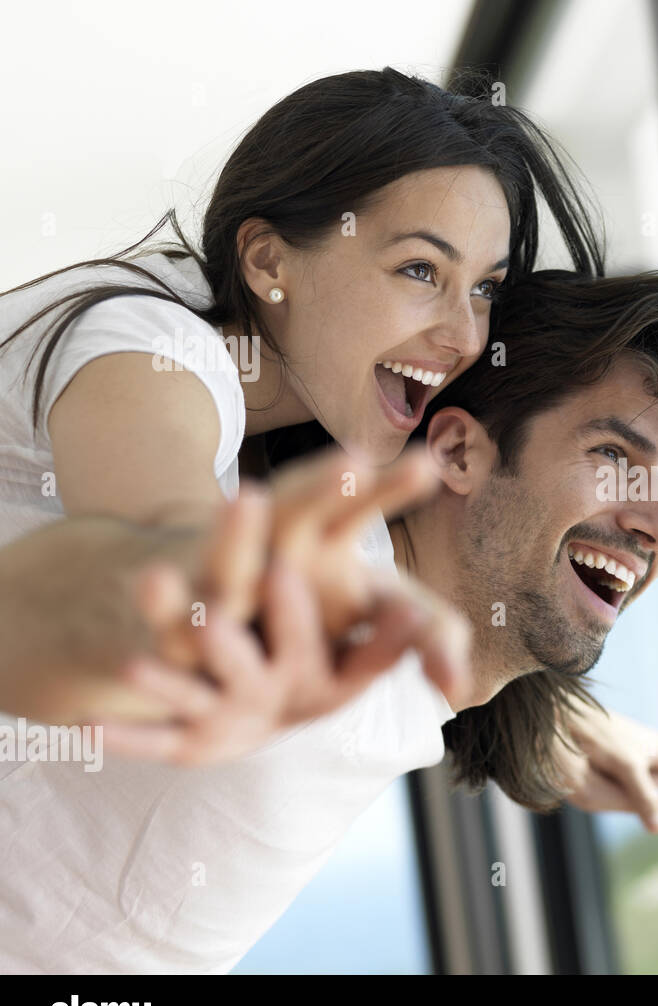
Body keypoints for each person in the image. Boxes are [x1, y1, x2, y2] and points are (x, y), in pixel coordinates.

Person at [0, 267, 658, 974]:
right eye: (613, 456)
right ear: (458, 449)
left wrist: (563, 734)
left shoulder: (404, 682)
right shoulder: (297, 605)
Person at [0, 66, 602, 740]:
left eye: (484, 288)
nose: (465, 335)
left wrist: (583, 736)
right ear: (268, 262)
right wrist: (221, 612)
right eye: (420, 270)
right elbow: (161, 541)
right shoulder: (155, 352)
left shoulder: (279, 418)